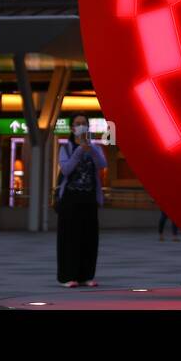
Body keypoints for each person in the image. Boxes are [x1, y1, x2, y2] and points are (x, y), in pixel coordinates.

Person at [56, 115, 107, 288]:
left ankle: (87, 275)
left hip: (89, 198)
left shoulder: (96, 147)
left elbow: (102, 164)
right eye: (77, 124)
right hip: (71, 198)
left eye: (84, 123)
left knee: (90, 237)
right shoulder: (66, 148)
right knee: (70, 237)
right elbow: (66, 169)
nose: (81, 126)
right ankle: (68, 276)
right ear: (72, 129)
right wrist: (79, 150)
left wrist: (90, 148)